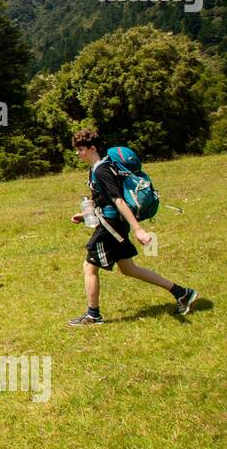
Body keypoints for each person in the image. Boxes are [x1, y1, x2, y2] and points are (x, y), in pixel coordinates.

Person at [68, 128, 199, 326]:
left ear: (92, 148)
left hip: (110, 227)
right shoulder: (97, 168)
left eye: (80, 149)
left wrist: (138, 229)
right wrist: (85, 214)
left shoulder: (102, 170)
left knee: (89, 267)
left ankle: (93, 315)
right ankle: (182, 293)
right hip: (113, 223)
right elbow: (104, 200)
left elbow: (118, 200)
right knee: (129, 269)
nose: (77, 154)